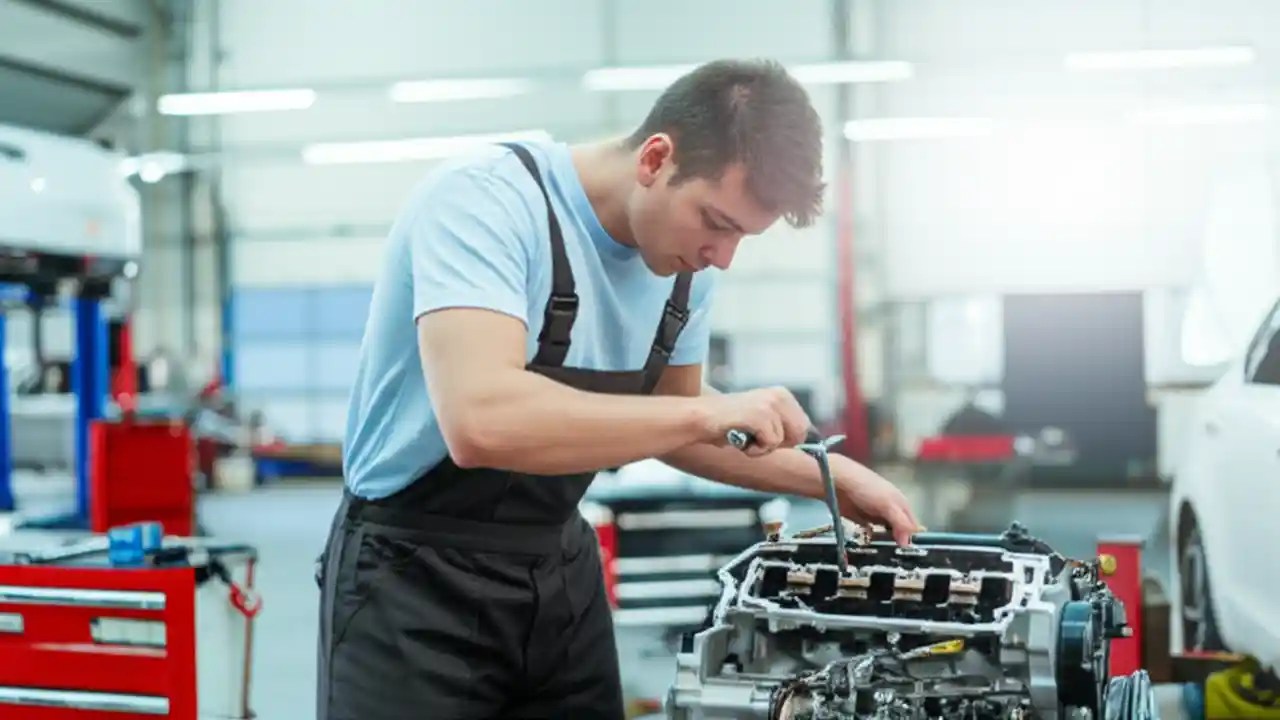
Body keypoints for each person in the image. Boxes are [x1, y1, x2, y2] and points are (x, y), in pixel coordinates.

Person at [316, 58, 922, 720]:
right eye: (716, 222)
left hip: (555, 572)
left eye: (742, 236)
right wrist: (703, 413)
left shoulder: (687, 268)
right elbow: (481, 419)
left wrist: (829, 477)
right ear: (656, 158)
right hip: (413, 582)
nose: (723, 255)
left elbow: (678, 427)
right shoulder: (485, 203)